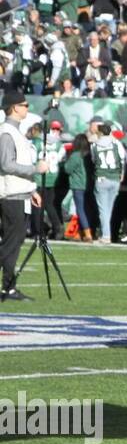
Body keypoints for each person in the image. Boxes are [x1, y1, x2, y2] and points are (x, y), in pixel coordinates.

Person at [0, 92, 49, 301]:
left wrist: (32, 191)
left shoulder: (15, 132)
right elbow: (6, 164)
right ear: (14, 107)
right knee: (11, 242)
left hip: (21, 194)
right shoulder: (7, 133)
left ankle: (8, 287)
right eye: (24, 105)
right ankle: (8, 287)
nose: (27, 108)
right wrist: (35, 169)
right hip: (11, 196)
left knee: (15, 241)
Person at [90, 122, 126, 244]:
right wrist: (122, 174)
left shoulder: (95, 145)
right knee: (108, 209)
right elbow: (122, 159)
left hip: (101, 177)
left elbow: (94, 160)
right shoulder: (116, 143)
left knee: (103, 209)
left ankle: (106, 235)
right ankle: (106, 232)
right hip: (115, 177)